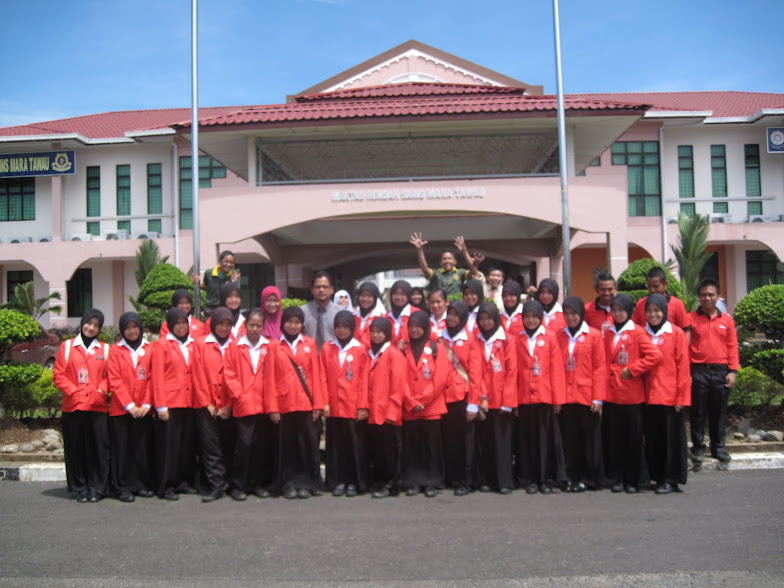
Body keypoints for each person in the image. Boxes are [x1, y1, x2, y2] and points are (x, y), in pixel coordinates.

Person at [602, 294, 662, 494]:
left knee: (633, 439)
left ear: (628, 311)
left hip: (631, 395)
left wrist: (633, 369)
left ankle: (634, 479)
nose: (617, 314)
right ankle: (618, 477)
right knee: (615, 439)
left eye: (621, 310)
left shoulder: (637, 332)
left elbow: (655, 355)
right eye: (614, 310)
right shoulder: (608, 332)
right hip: (612, 394)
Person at [265, 306, 325, 499]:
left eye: (297, 322)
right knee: (287, 447)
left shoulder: (309, 343)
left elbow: (316, 375)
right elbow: (269, 378)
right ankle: (288, 484)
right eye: (290, 322)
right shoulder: (274, 346)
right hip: (283, 404)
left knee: (307, 445)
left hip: (306, 403)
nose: (293, 325)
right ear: (283, 323)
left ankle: (307, 484)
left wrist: (318, 404)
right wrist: (272, 407)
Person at [53, 309, 111, 503]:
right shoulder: (67, 347)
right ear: (82, 323)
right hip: (74, 406)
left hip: (97, 407)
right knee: (76, 448)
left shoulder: (105, 349)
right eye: (89, 323)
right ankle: (80, 487)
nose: (91, 328)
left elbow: (110, 376)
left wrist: (101, 391)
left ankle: (97, 487)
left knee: (98, 448)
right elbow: (59, 375)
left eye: (96, 325)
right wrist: (73, 391)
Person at [223, 308, 276, 500]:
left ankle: (257, 484)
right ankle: (238, 485)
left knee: (260, 446)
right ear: (245, 325)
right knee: (243, 446)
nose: (255, 329)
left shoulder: (269, 346)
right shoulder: (234, 346)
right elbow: (229, 374)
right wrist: (239, 395)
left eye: (258, 325)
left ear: (263, 326)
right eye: (251, 325)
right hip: (243, 403)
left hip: (263, 403)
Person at [687, 278, 739, 468]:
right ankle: (698, 449)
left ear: (718, 296)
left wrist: (732, 371)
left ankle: (718, 448)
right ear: (698, 297)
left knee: (718, 413)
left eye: (711, 294)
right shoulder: (690, 319)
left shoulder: (727, 320)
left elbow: (732, 346)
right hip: (698, 371)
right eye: (703, 295)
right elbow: (684, 347)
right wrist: (686, 373)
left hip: (720, 372)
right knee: (697, 413)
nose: (707, 298)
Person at [642, 294, 691, 494]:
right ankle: (658, 477)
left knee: (672, 440)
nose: (653, 315)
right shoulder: (641, 333)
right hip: (648, 396)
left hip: (670, 396)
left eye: (657, 310)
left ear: (664, 311)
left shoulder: (676, 333)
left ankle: (671, 479)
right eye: (649, 311)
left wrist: (682, 397)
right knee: (654, 439)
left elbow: (683, 367)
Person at [515, 300, 565, 495]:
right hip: (524, 397)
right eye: (527, 317)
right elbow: (514, 373)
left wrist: (557, 399)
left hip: (545, 396)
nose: (531, 320)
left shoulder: (550, 337)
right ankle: (531, 479)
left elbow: (556, 369)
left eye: (535, 317)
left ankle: (546, 479)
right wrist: (514, 402)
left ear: (541, 318)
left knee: (545, 439)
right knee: (528, 440)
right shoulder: (517, 339)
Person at [556, 297, 606, 492]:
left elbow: (599, 368)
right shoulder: (559, 335)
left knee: (589, 439)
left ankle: (589, 477)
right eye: (566, 314)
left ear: (581, 314)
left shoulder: (594, 335)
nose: (570, 317)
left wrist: (598, 398)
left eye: (573, 314)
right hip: (566, 396)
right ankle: (571, 476)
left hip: (587, 396)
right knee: (570, 439)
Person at [106, 311, 155, 502]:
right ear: (122, 330)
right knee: (122, 450)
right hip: (122, 410)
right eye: (127, 328)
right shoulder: (115, 350)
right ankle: (122, 487)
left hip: (144, 409)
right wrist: (130, 406)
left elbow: (153, 378)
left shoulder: (150, 348)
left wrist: (146, 404)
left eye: (135, 327)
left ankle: (141, 484)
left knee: (141, 449)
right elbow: (115, 380)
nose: (132, 331)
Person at [400, 311, 450, 497]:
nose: (414, 330)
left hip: (431, 407)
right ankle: (413, 481)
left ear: (425, 327)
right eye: (411, 326)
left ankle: (431, 482)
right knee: (412, 446)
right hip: (409, 408)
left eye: (418, 326)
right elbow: (399, 378)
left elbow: (441, 378)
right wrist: (410, 400)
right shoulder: (403, 349)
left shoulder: (437, 348)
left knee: (431, 447)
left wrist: (423, 400)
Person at [321, 311, 370, 497]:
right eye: (338, 327)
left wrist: (363, 405)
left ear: (352, 328)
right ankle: (338, 481)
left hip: (353, 406)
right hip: (334, 405)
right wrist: (324, 402)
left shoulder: (361, 349)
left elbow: (364, 380)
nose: (341, 330)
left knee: (354, 446)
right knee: (336, 447)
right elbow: (322, 377)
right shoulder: (327, 348)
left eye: (345, 327)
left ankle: (354, 482)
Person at [152, 308, 198, 500]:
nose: (181, 327)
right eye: (177, 323)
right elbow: (157, 377)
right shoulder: (162, 344)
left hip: (189, 402)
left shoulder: (193, 344)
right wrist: (161, 406)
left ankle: (184, 482)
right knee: (169, 446)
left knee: (186, 446)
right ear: (170, 325)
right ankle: (166, 485)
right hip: (170, 403)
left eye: (184, 323)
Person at [439, 301, 483, 496]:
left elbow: (475, 374)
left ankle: (467, 479)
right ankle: (452, 476)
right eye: (450, 314)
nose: (451, 318)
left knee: (466, 441)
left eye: (456, 315)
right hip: (443, 397)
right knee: (449, 439)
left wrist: (473, 403)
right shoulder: (439, 338)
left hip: (463, 397)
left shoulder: (470, 340)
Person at [190, 307, 233, 502]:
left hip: (229, 406)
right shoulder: (200, 344)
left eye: (227, 324)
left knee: (229, 445)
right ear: (213, 324)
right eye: (220, 324)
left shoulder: (235, 345)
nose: (224, 328)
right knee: (211, 447)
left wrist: (229, 404)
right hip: (207, 406)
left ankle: (229, 484)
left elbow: (238, 376)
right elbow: (197, 375)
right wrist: (207, 403)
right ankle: (216, 485)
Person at [474, 302, 517, 495]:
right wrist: (481, 396)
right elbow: (476, 371)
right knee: (486, 441)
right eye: (482, 319)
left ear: (496, 319)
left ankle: (504, 481)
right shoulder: (476, 340)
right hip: (484, 400)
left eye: (489, 318)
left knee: (502, 442)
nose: (485, 322)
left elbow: (512, 372)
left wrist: (507, 401)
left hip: (502, 400)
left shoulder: (507, 340)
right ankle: (487, 479)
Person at [366, 317, 408, 498]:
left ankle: (392, 484)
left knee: (391, 450)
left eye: (380, 332)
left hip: (388, 412)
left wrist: (392, 412)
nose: (376, 335)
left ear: (387, 333)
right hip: (373, 411)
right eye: (373, 331)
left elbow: (398, 386)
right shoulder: (370, 353)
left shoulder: (393, 354)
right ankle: (380, 481)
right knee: (378, 450)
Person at [409, 233, 483, 296]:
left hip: (457, 306)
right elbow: (425, 269)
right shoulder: (436, 274)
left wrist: (464, 252)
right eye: (444, 259)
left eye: (450, 259)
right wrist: (420, 250)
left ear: (455, 262)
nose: (447, 261)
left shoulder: (460, 272)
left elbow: (473, 272)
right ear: (440, 262)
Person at [631, 266, 691, 333]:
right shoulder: (641, 303)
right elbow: (634, 328)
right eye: (649, 286)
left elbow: (685, 329)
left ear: (665, 284)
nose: (652, 290)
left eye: (656, 286)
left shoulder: (677, 304)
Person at [300, 271, 340, 354]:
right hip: (308, 356)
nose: (321, 290)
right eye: (318, 287)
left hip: (332, 356)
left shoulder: (340, 313)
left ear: (332, 290)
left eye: (325, 287)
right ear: (312, 290)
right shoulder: (302, 312)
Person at [192, 250, 241, 317]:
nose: (228, 264)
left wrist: (233, 282)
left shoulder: (234, 274)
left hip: (227, 309)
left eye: (231, 262)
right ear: (219, 261)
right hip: (211, 309)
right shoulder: (209, 273)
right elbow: (205, 286)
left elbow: (236, 293)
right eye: (226, 262)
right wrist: (193, 283)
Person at [386, 279, 419, 344]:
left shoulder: (417, 314)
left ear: (408, 296)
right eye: (396, 293)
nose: (399, 297)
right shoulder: (386, 316)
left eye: (403, 294)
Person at [584, 272, 616, 336]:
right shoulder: (587, 309)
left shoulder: (622, 309)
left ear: (616, 289)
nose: (606, 293)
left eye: (610, 289)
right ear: (596, 290)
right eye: (603, 290)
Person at [354, 282, 384, 348]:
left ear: (375, 298)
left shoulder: (381, 318)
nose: (365, 299)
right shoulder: (353, 317)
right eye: (362, 295)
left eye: (369, 296)